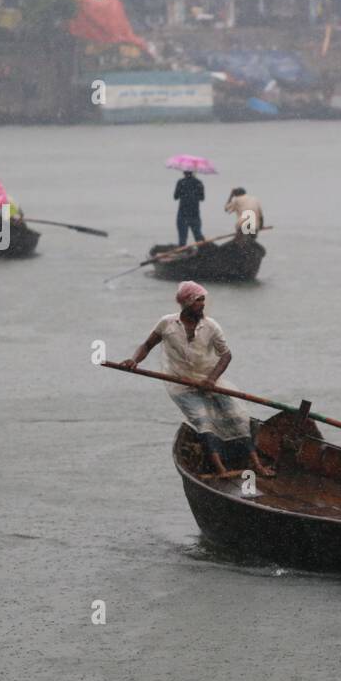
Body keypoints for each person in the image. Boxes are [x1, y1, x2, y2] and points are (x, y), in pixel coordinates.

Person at [120, 282, 273, 478]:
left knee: (236, 416)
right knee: (203, 420)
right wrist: (134, 360)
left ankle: (257, 465)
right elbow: (147, 345)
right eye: (197, 301)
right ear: (186, 303)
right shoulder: (167, 323)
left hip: (209, 380)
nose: (202, 304)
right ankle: (221, 470)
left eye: (203, 300)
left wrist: (211, 380)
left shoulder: (211, 326)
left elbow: (226, 355)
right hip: (180, 383)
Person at [173, 170, 205, 245]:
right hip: (194, 213)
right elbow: (202, 198)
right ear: (193, 173)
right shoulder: (198, 183)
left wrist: (183, 192)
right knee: (198, 237)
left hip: (183, 214)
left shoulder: (181, 182)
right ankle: (205, 252)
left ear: (184, 173)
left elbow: (175, 197)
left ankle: (182, 254)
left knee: (182, 239)